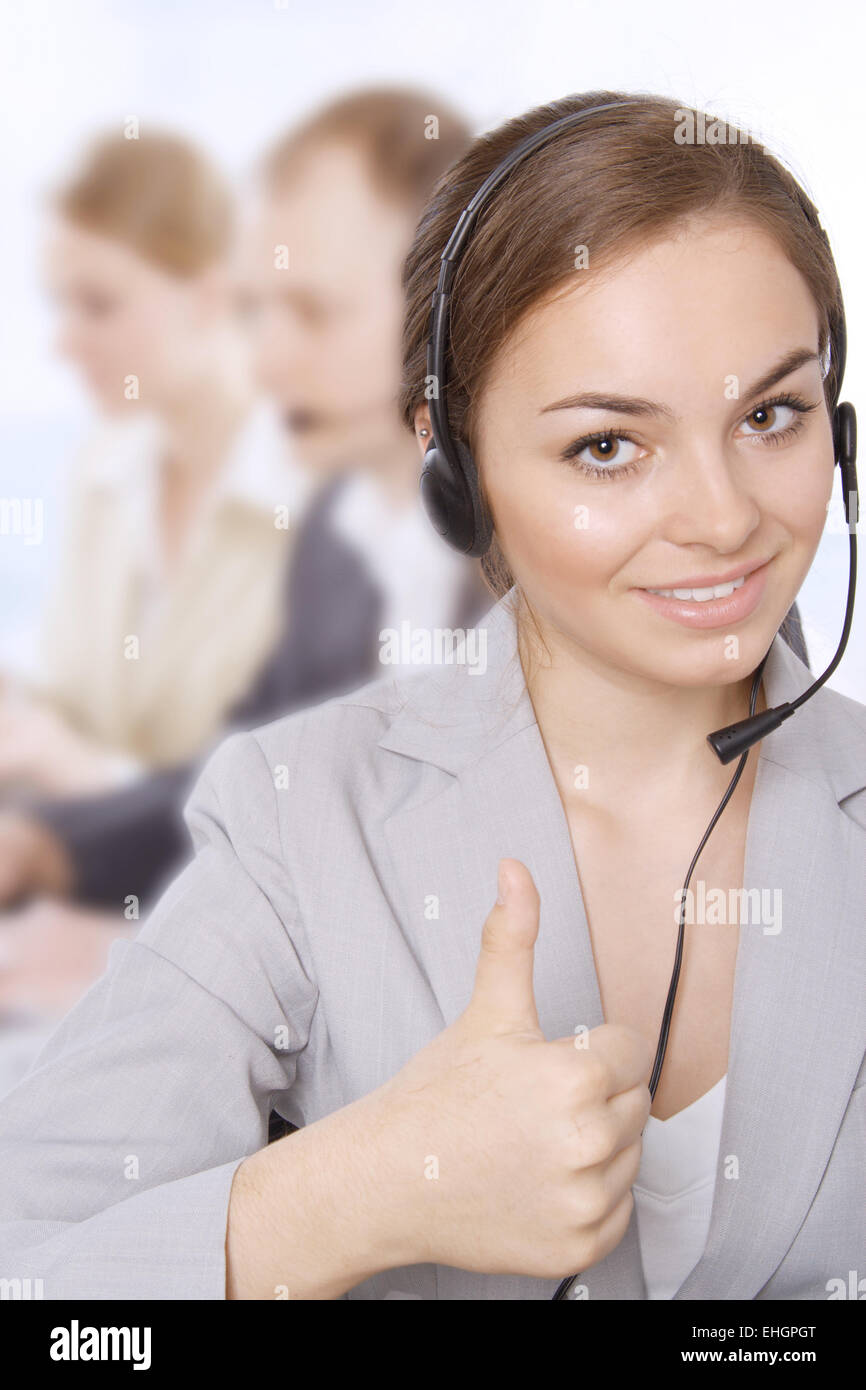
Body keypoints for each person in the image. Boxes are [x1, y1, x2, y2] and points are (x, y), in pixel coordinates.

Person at [0, 90, 862, 1301]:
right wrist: (363, 1188)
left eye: (769, 415)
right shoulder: (304, 816)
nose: (722, 519)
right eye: (607, 446)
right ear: (450, 465)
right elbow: (31, 1283)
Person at [0, 88, 487, 916]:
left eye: (316, 312)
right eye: (262, 313)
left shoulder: (548, 557)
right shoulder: (337, 550)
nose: (266, 367)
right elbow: (242, 782)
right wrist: (46, 850)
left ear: (459, 307)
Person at [0, 130, 311, 795]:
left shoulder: (315, 496)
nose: (64, 343)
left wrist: (88, 781)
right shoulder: (103, 470)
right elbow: (72, 706)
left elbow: (298, 806)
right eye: (60, 304)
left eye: (99, 304)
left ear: (206, 297)